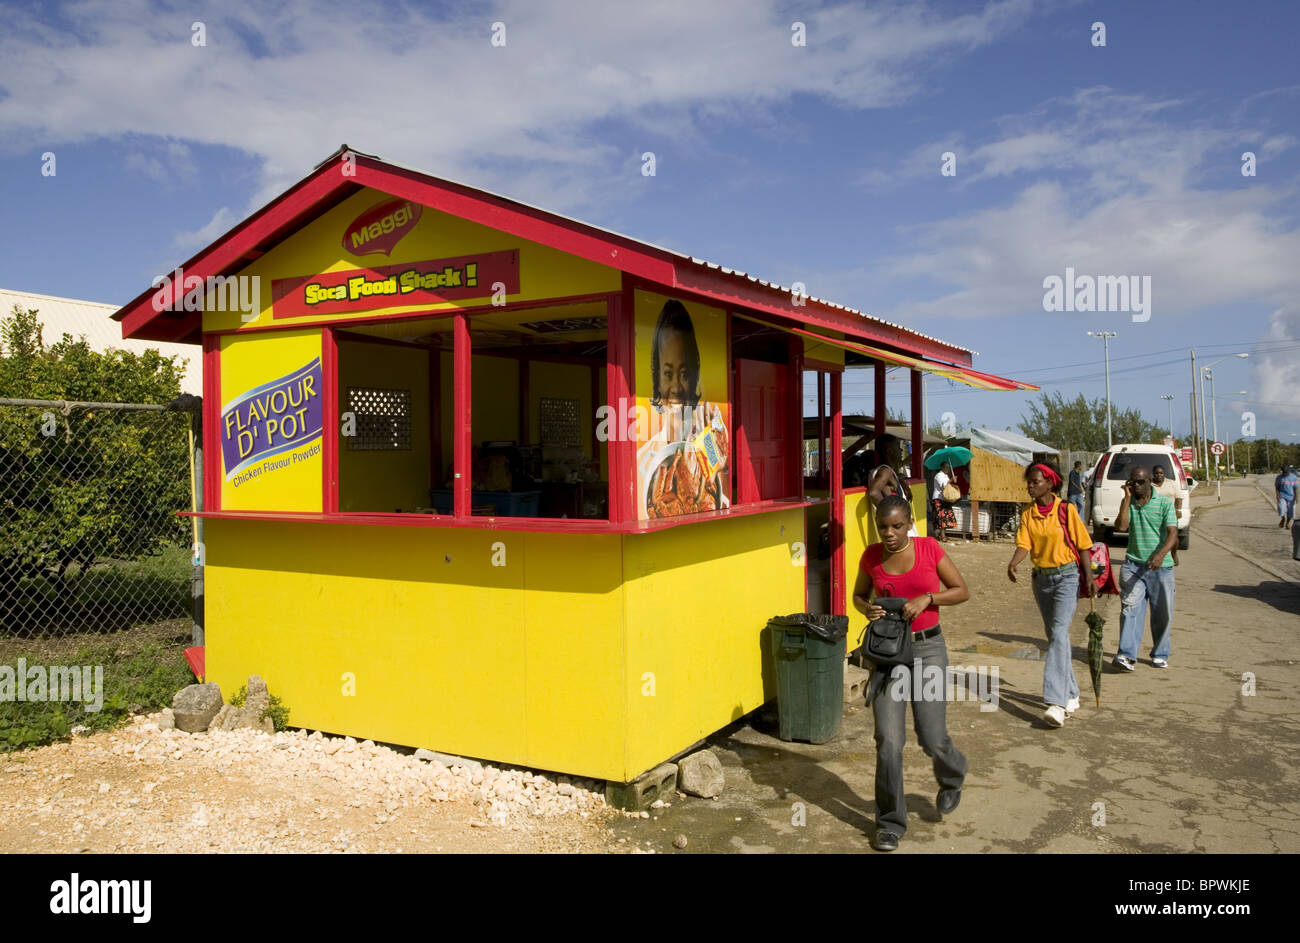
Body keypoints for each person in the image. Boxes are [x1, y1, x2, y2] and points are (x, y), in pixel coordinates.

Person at [853, 494, 970, 852]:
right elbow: (859, 595)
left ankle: (952, 776)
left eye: (896, 526)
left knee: (931, 736)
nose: (889, 533)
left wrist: (929, 599)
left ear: (908, 523)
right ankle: (889, 822)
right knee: (888, 741)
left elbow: (961, 590)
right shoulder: (871, 556)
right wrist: (867, 608)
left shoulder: (929, 549)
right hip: (889, 656)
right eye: (882, 527)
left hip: (928, 649)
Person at [1006, 461, 1098, 727]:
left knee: (1059, 634)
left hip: (1068, 577)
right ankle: (1071, 692)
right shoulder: (1028, 514)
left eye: (1035, 482)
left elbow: (1082, 545)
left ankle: (1055, 702)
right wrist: (1014, 562)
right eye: (1029, 482)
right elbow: (1025, 543)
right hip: (1041, 581)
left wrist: (1089, 576)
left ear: (1050, 482)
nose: (1030, 486)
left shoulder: (1066, 510)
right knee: (1055, 637)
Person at [1113, 466, 1178, 670]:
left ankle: (1160, 653)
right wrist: (1126, 498)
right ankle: (1126, 655)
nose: (1137, 486)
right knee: (1130, 609)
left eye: (1141, 482)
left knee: (1162, 613)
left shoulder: (1165, 503)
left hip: (1161, 568)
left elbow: (1172, 534)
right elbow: (1122, 527)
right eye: (1134, 482)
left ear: (1150, 481)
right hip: (1134, 565)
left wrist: (1161, 555)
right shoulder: (1130, 503)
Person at [868, 434, 918, 537]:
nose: (901, 451)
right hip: (900, 529)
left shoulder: (887, 471)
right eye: (898, 447)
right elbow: (873, 492)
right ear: (889, 451)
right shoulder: (886, 471)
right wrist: (892, 515)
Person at [1150, 464, 1183, 566]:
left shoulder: (1171, 483)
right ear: (1153, 474)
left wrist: (1178, 509)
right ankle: (1156, 556)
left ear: (1164, 474)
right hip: (1154, 513)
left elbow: (1178, 498)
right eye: (1156, 473)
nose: (1159, 475)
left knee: (1174, 537)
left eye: (1161, 473)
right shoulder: (1149, 484)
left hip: (1170, 513)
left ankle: (1173, 554)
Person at [931, 461, 957, 542]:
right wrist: (951, 480)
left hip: (944, 499)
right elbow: (944, 485)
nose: (947, 469)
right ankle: (942, 536)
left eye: (948, 467)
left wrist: (952, 480)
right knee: (942, 518)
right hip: (939, 499)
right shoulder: (939, 475)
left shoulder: (945, 476)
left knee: (946, 518)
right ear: (941, 467)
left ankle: (942, 534)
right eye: (945, 467)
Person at [1276, 465, 1298, 530]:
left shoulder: (1293, 477)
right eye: (1284, 472)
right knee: (1281, 509)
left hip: (1291, 497)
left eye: (1286, 472)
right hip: (1282, 496)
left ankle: (1287, 523)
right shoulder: (1279, 477)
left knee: (1291, 511)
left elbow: (1296, 488)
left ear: (1289, 471)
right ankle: (1283, 519)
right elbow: (1277, 487)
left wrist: (1297, 497)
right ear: (1282, 471)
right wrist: (1277, 495)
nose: (1285, 473)